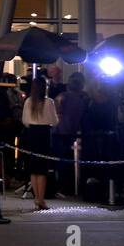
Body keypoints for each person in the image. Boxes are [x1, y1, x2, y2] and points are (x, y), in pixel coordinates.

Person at [21, 74, 58, 210]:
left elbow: (24, 121)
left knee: (33, 168)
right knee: (42, 169)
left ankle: (37, 197)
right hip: (44, 134)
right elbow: (54, 121)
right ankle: (41, 199)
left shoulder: (28, 102)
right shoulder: (49, 102)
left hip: (32, 133)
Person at [53, 72, 87, 195]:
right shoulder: (84, 99)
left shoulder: (62, 97)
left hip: (60, 132)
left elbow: (57, 113)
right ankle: (72, 186)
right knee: (72, 161)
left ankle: (63, 186)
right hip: (74, 132)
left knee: (62, 161)